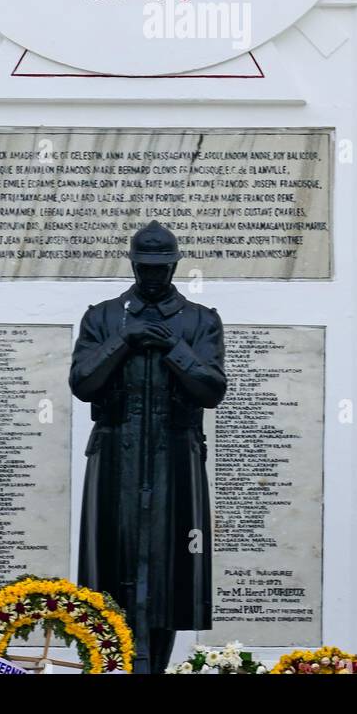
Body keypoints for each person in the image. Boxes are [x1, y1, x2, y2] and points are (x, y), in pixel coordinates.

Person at [69, 220, 227, 673]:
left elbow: (212, 389)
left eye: (162, 267)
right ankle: (113, 663)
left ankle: (155, 668)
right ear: (133, 264)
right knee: (111, 560)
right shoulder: (102, 317)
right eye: (146, 267)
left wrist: (174, 346)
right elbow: (83, 383)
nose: (154, 276)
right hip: (116, 457)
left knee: (170, 569)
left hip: (174, 460)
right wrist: (125, 340)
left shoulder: (200, 321)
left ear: (175, 264)